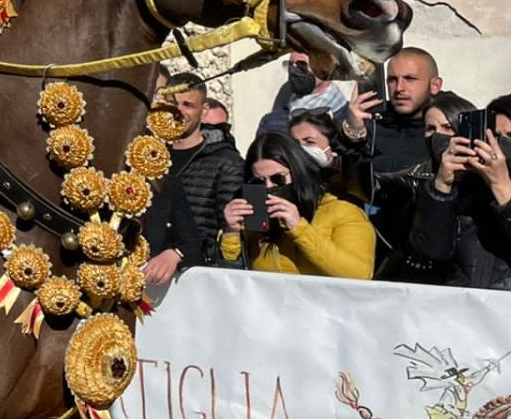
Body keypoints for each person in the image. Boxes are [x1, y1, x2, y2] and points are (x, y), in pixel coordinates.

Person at [410, 92, 511, 292]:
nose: (500, 147)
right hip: (465, 308)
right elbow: (432, 252)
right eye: (495, 138)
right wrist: (442, 185)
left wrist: (502, 187)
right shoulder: (470, 186)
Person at [220, 131, 374, 278]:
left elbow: (359, 274)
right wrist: (231, 232)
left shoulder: (342, 211)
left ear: (298, 172)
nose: (268, 187)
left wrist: (299, 228)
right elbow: (230, 277)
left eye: (278, 179)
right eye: (259, 182)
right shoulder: (255, 218)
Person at [346, 47, 440, 281]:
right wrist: (354, 132)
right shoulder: (373, 122)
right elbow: (348, 181)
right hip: (371, 253)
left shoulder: (449, 122)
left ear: (435, 85)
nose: (399, 89)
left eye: (410, 79)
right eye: (392, 80)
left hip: (427, 257)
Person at [160, 71, 243, 263]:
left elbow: (229, 232)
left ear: (204, 110)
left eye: (187, 105)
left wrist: (179, 252)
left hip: (196, 272)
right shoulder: (148, 156)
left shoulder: (226, 162)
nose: (178, 112)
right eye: (172, 104)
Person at [290, 109, 368, 206]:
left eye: (309, 142)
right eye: (296, 144)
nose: (302, 149)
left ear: (332, 144)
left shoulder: (358, 175)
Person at [272, 50, 349, 118]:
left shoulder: (337, 112)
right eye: (290, 64)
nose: (293, 71)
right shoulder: (287, 90)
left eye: (302, 66)